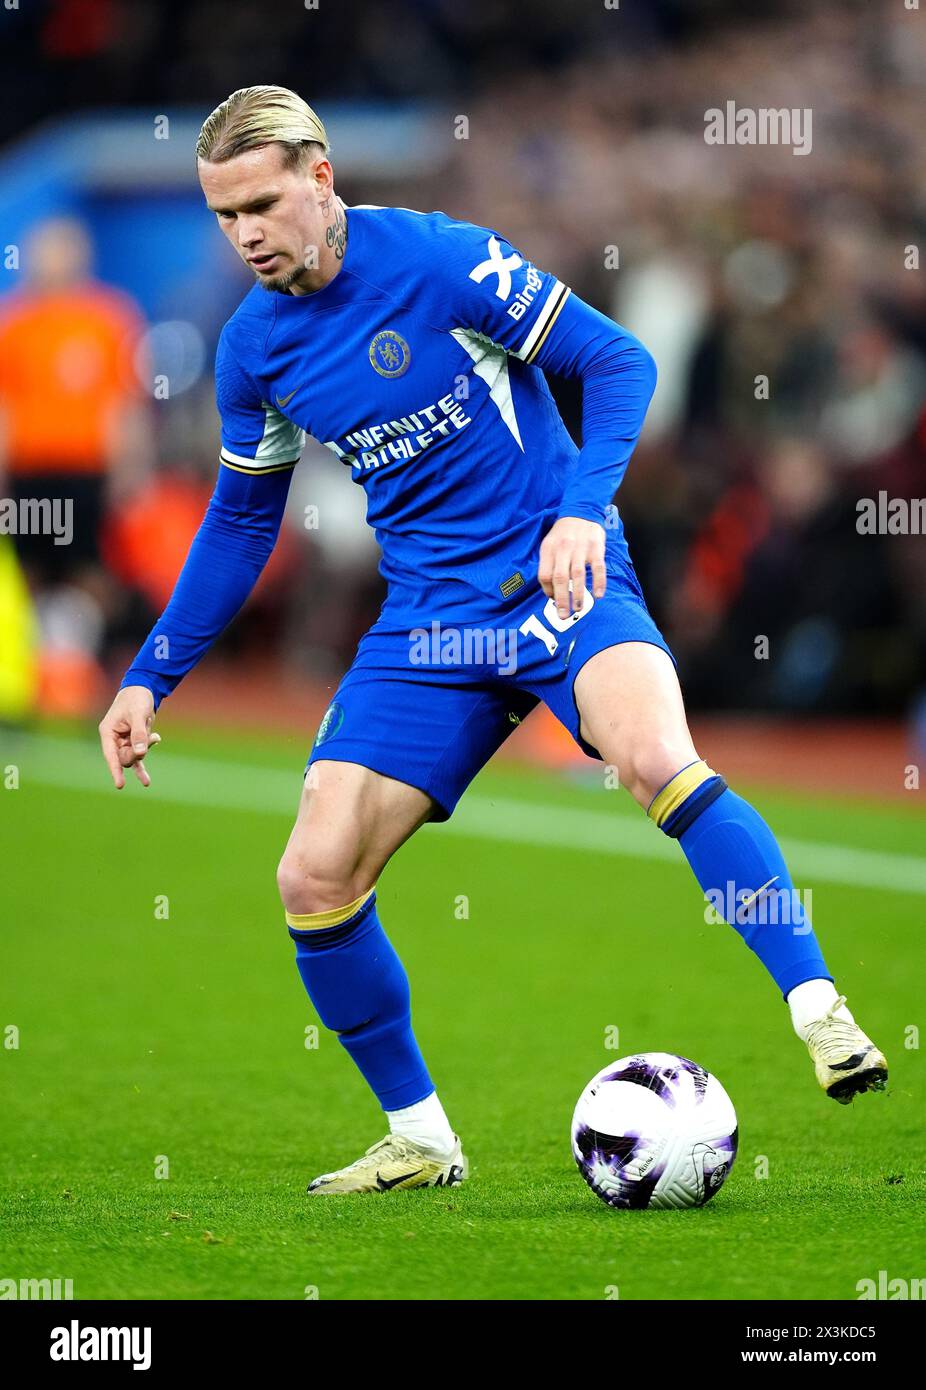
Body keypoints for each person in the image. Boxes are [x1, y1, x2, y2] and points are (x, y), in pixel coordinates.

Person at [98, 86, 887, 1196]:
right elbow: (239, 521)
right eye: (225, 217)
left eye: (263, 206)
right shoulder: (252, 349)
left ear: (320, 179)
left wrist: (580, 506)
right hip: (428, 622)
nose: (247, 236)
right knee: (311, 874)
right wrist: (150, 674)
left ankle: (820, 1012)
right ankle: (420, 1136)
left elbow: (617, 364)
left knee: (656, 760)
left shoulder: (442, 261)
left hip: (557, 579)